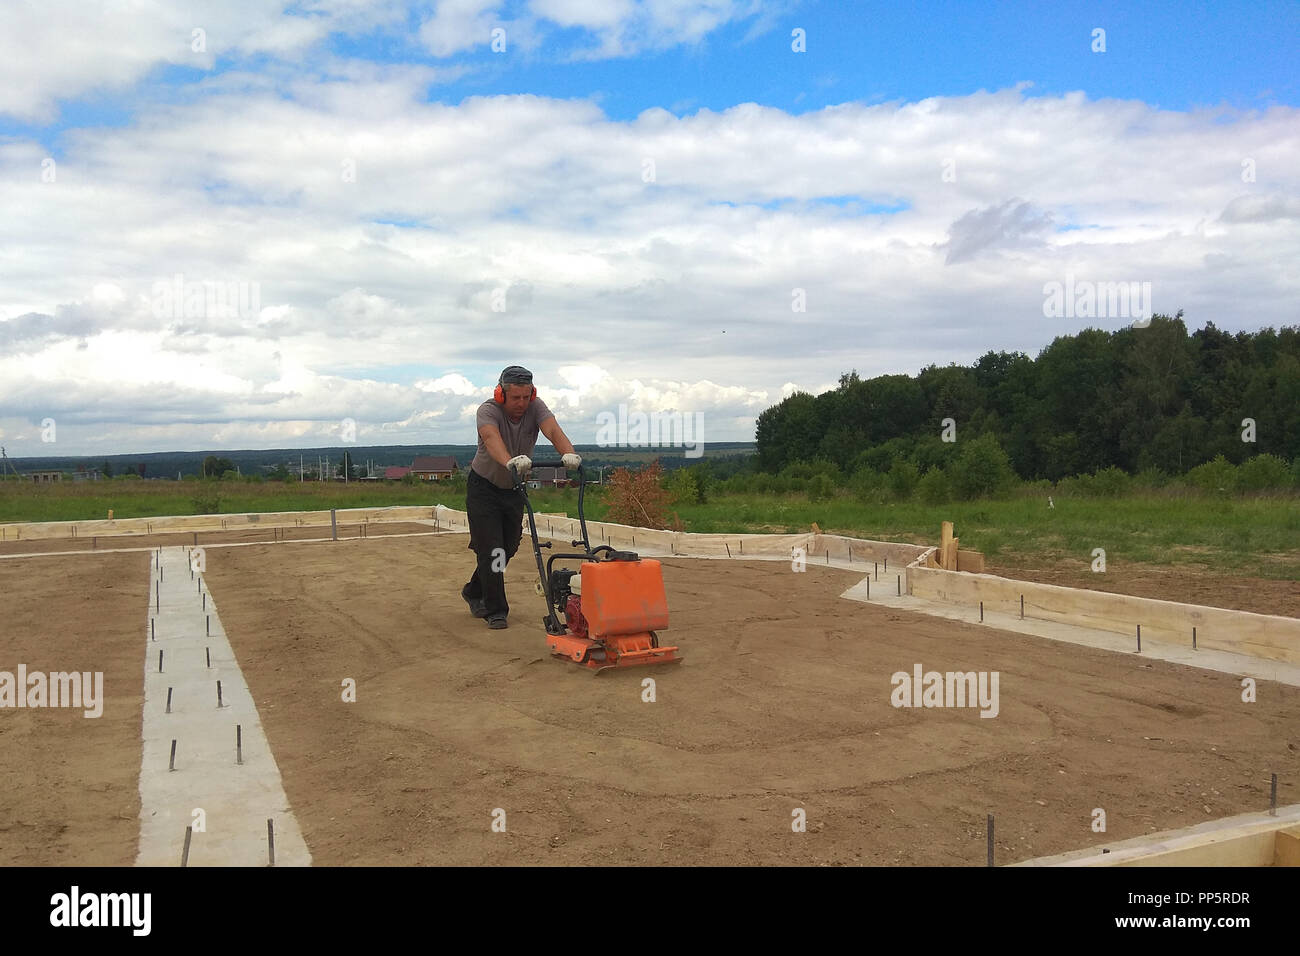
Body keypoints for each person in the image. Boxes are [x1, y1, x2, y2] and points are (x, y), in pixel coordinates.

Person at [461, 365, 580, 629]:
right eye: (516, 398)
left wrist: (569, 453)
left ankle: (474, 589)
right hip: (484, 487)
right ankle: (496, 610)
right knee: (492, 549)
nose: (522, 403)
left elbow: (552, 430)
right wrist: (510, 462)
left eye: (527, 397)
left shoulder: (536, 407)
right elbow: (491, 439)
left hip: (513, 489)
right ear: (501, 394)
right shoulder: (488, 411)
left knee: (508, 547)